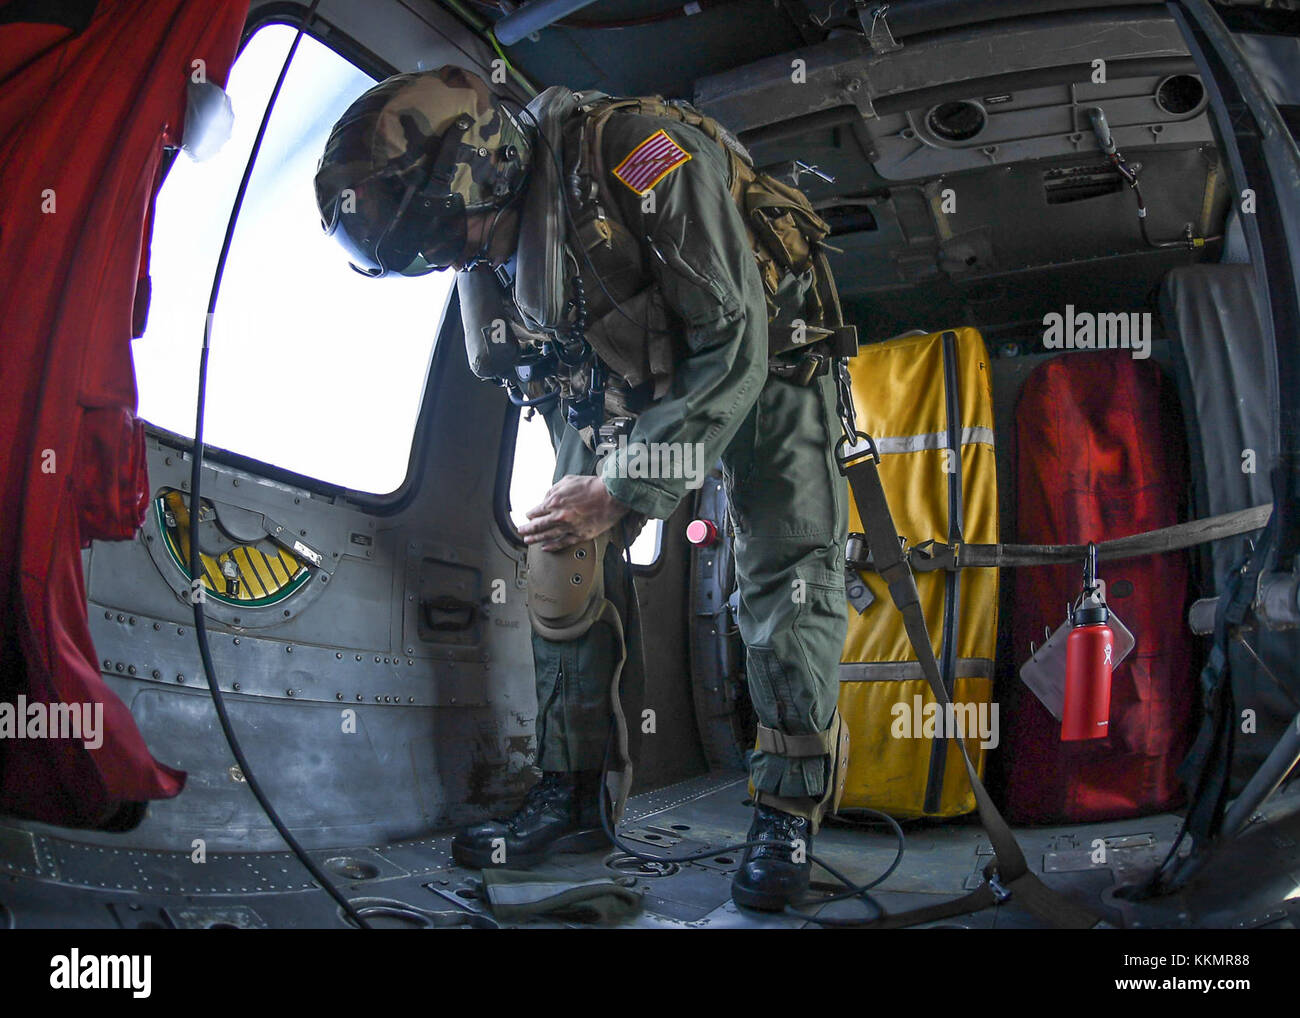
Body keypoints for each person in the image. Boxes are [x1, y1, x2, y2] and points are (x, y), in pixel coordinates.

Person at [315, 65, 851, 911]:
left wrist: (627, 486)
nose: (459, 258)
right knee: (559, 564)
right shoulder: (477, 232)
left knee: (788, 576)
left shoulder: (641, 154)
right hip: (623, 374)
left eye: (457, 237)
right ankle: (573, 796)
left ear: (489, 169)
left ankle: (787, 808)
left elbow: (733, 344)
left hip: (770, 360)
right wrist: (598, 483)